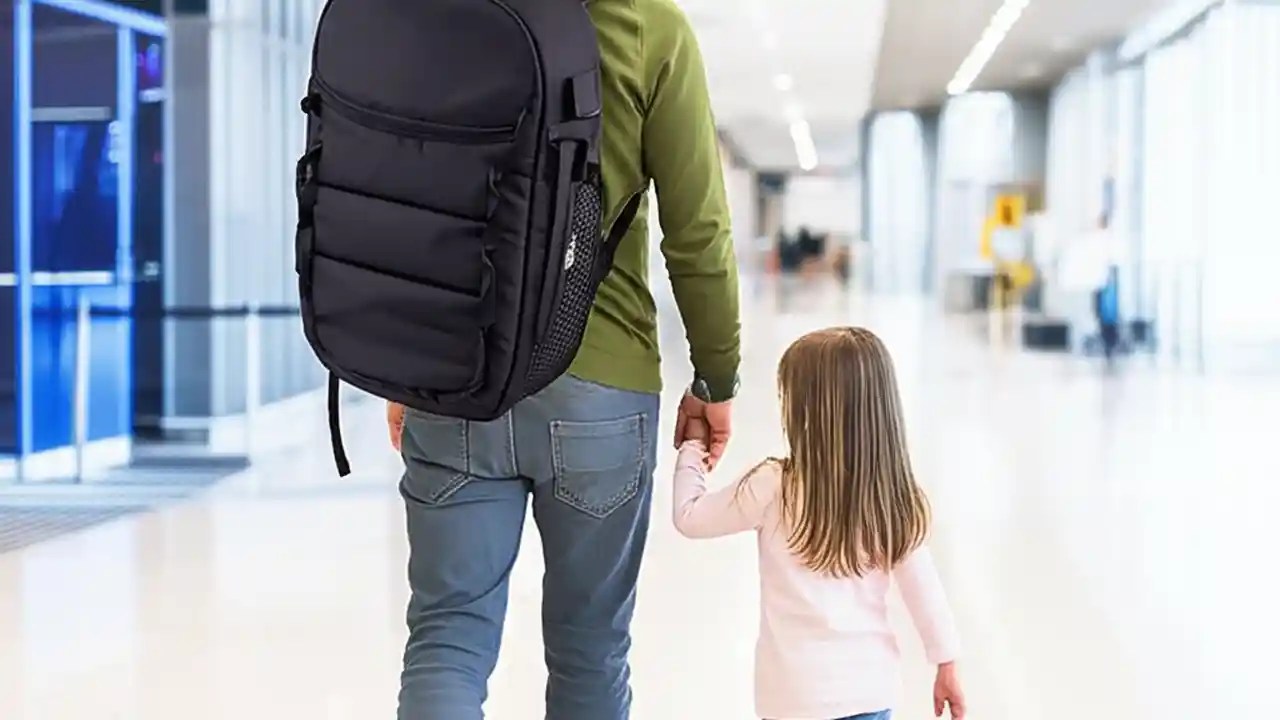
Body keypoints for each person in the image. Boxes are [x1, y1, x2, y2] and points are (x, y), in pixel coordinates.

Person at [387, 1, 741, 718]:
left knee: (447, 641)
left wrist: (407, 358)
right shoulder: (648, 28)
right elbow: (697, 229)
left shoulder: (449, 17)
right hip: (601, 389)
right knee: (589, 651)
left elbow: (403, 195)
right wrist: (715, 375)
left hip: (456, 374)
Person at [672, 327, 965, 720]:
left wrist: (694, 446)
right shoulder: (891, 499)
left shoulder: (774, 486)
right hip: (868, 693)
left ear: (805, 411)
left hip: (792, 699)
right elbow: (924, 591)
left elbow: (690, 516)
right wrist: (946, 664)